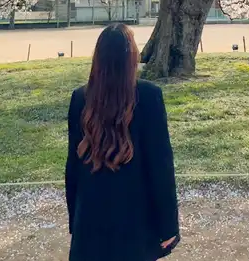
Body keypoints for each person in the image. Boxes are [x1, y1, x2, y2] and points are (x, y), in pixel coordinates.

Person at [65, 23, 180, 261]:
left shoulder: (80, 98)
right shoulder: (149, 96)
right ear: (132, 57)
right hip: (134, 220)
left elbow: (73, 168)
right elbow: (160, 166)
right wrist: (168, 225)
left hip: (90, 219)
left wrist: (75, 219)